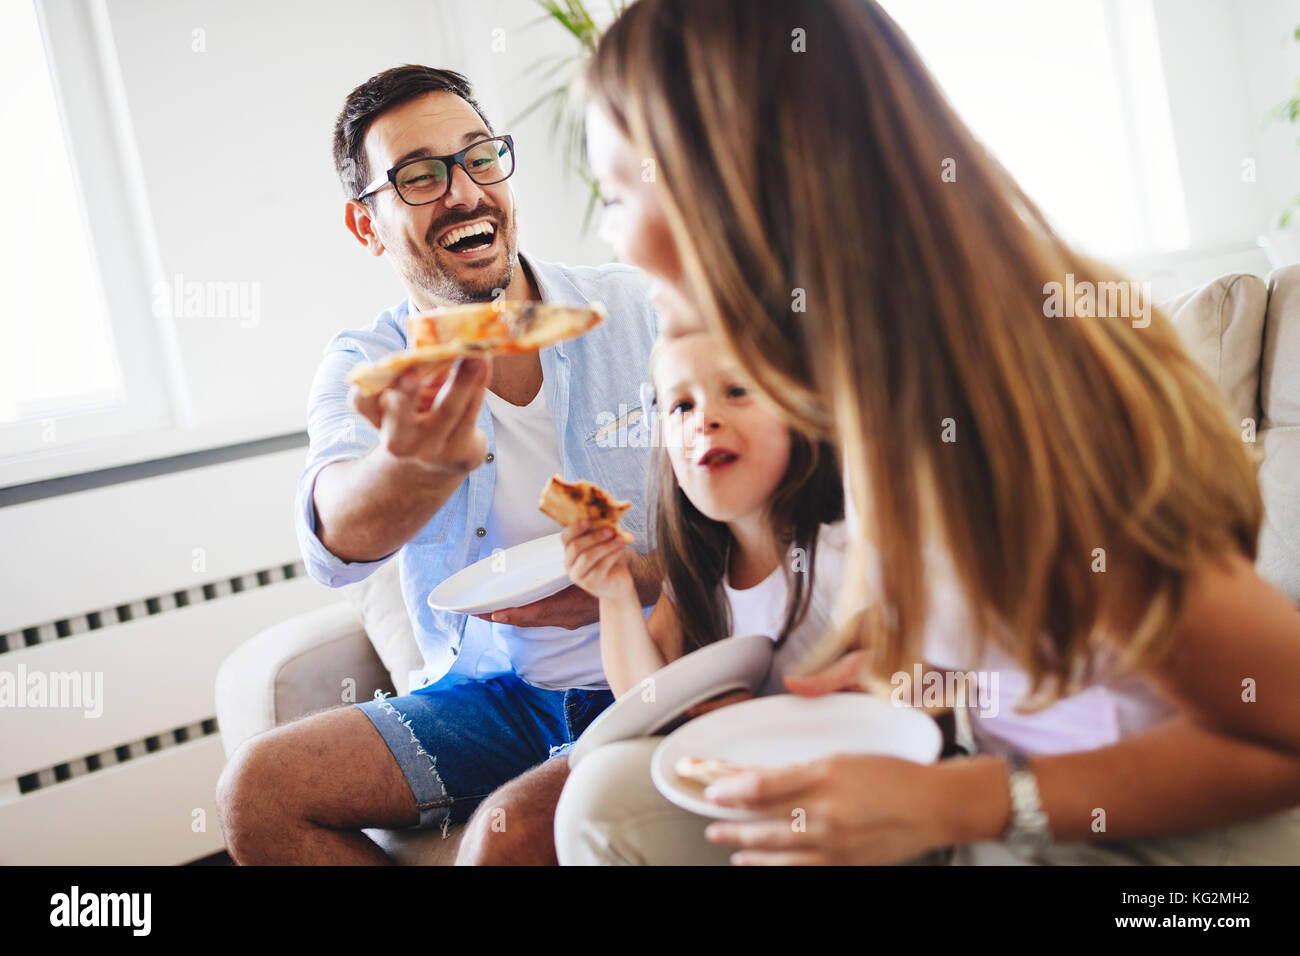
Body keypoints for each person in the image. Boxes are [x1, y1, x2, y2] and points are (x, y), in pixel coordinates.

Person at [554, 0, 1300, 865]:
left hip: (1182, 858)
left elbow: (1286, 733)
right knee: (605, 805)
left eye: (616, 196)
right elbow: (1005, 645)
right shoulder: (867, 396)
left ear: (731, 186)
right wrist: (887, 677)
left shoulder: (1017, 403)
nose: (612, 239)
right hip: (1009, 798)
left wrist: (957, 800)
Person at [215, 64, 663, 864]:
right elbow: (335, 539)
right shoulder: (371, 361)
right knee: (257, 788)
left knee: (506, 838)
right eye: (419, 176)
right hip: (490, 694)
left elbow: (764, 511)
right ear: (367, 225)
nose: (462, 191)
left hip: (657, 658)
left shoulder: (632, 310)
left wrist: (640, 577)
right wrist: (409, 466)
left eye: (479, 157)